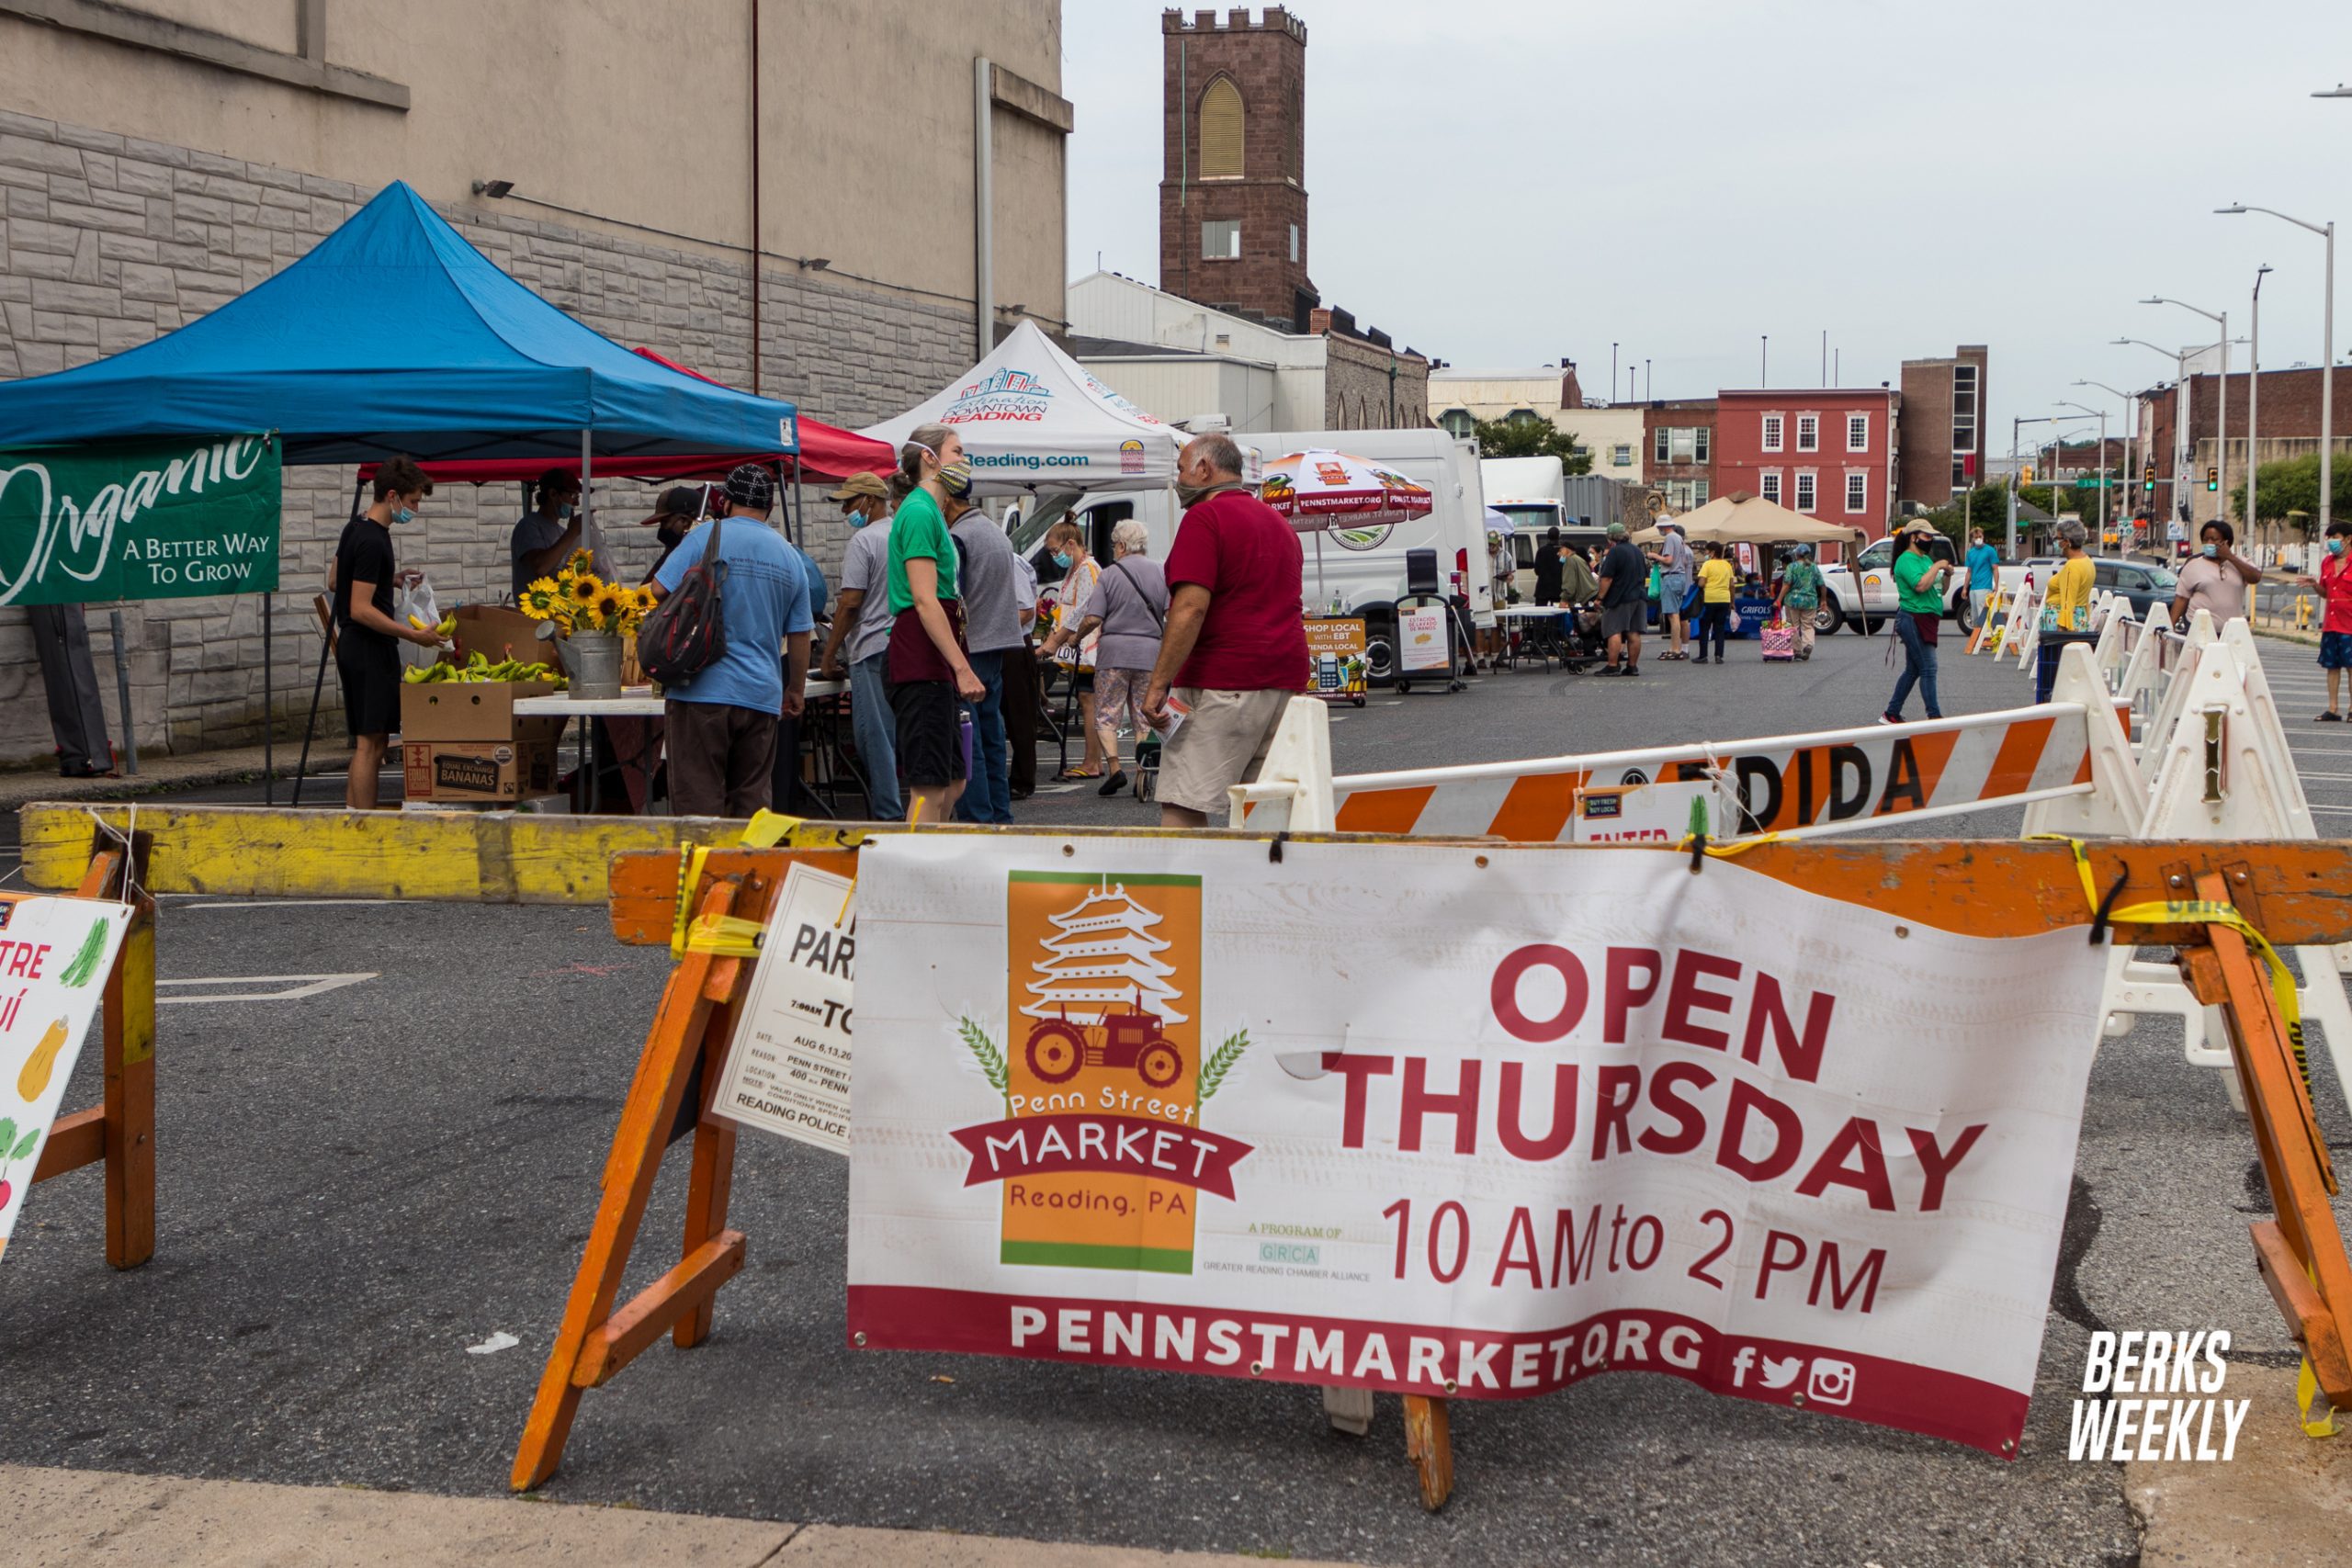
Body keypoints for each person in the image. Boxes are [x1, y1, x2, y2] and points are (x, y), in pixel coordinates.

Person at [1143, 434, 1308, 828]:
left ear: (1204, 469)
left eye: (1182, 469)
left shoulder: (1204, 518)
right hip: (1284, 680)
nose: (1178, 479)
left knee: (1183, 802)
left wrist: (1157, 685)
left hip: (1222, 678)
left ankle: (1186, 888)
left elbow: (1189, 608)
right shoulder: (1277, 523)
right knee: (1265, 808)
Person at [650, 464, 809, 818]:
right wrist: (795, 689)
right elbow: (800, 633)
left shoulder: (705, 537)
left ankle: (702, 873)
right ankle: (748, 872)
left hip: (700, 692)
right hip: (762, 697)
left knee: (698, 806)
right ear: (768, 507)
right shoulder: (790, 556)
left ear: (724, 503)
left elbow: (659, 588)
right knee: (751, 806)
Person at [331, 455, 444, 810]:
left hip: (354, 646)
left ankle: (353, 819)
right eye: (413, 502)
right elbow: (359, 608)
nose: (415, 510)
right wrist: (413, 635)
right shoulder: (375, 540)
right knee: (371, 745)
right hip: (368, 647)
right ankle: (364, 825)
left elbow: (334, 580)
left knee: (373, 741)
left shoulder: (355, 527)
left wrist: (388, 580)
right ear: (392, 495)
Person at [886, 423, 985, 822]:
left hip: (936, 659)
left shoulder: (932, 513)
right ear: (930, 457)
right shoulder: (919, 511)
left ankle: (934, 867)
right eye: (957, 451)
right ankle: (915, 877)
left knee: (954, 782)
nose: (964, 460)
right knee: (929, 788)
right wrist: (962, 668)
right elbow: (925, 600)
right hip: (920, 659)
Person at [1056, 517, 1168, 797]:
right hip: (1149, 653)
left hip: (1114, 654)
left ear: (1120, 545)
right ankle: (1143, 774)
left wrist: (1076, 637)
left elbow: (1093, 617)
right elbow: (1170, 612)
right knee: (1143, 714)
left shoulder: (1109, 574)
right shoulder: (1161, 571)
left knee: (1107, 713)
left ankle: (1116, 768)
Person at [819, 470, 900, 820]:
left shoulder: (864, 541)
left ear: (871, 500)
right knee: (906, 730)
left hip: (872, 648)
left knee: (874, 737)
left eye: (849, 502)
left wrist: (828, 655)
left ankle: (888, 812)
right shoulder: (905, 531)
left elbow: (851, 602)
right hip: (908, 643)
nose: (844, 511)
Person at [950, 488, 1023, 824]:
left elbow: (954, 598)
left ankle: (978, 819)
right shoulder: (996, 533)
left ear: (948, 500)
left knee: (970, 741)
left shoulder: (959, 537)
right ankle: (1000, 815)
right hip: (998, 644)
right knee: (992, 738)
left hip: (971, 647)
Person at [1041, 521, 1108, 781]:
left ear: (1071, 544)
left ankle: (1093, 761)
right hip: (1078, 643)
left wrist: (1056, 641)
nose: (1053, 556)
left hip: (1087, 645)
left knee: (1088, 700)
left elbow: (1083, 609)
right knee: (1086, 698)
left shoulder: (1087, 569)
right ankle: (1093, 760)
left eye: (1054, 550)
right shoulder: (1077, 570)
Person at [1883, 523, 1954, 724]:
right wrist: (1938, 566)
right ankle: (1934, 716)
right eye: (1926, 536)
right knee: (1929, 667)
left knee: (1914, 670)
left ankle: (1891, 713)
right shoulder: (1906, 560)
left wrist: (1946, 575)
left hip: (1927, 617)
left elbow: (1940, 589)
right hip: (1914, 617)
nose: (1929, 540)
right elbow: (1921, 585)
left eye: (1932, 537)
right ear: (1913, 537)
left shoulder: (1925, 560)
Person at [2296, 520, 2352, 720]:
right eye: (2329, 539)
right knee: (2332, 666)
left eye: (2335, 538)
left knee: (2351, 666)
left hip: (2350, 624)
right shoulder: (2327, 562)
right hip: (2331, 623)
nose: (2331, 543)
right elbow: (2326, 593)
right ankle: (2333, 708)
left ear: (2348, 539)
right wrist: (2313, 584)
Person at [2171, 518, 2262, 628]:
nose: (2209, 543)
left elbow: (2255, 577)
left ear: (2226, 542)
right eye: (2205, 539)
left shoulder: (2240, 562)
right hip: (2199, 628)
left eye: (2214, 539)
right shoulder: (2193, 565)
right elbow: (2181, 598)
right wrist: (2169, 628)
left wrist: (2229, 557)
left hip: (2231, 630)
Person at [510, 466, 583, 598]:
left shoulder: (562, 532)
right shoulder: (529, 525)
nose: (576, 503)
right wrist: (572, 533)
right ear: (553, 494)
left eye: (578, 496)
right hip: (535, 613)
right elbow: (540, 567)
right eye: (572, 495)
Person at [1005, 547, 1042, 799]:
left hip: (1015, 643)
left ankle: (1022, 779)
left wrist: (995, 627)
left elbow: (1026, 610)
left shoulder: (1011, 561)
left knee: (1019, 716)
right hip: (1002, 642)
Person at [1589, 522, 1648, 676]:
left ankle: (1613, 665)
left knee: (1614, 630)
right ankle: (1632, 666)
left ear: (1610, 538)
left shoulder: (1614, 553)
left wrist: (1599, 598)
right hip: (1640, 596)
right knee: (1634, 632)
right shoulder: (1637, 551)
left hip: (1620, 597)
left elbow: (1607, 579)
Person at [1647, 522, 1696, 660]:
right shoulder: (1687, 550)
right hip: (1685, 584)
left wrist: (1656, 557)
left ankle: (1677, 648)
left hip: (1677, 582)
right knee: (1681, 618)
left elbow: (1669, 561)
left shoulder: (1676, 545)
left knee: (1676, 617)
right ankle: (1682, 648)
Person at [639, 486, 705, 582]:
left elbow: (658, 590)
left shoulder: (700, 557)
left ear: (684, 521)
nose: (662, 529)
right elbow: (647, 586)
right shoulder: (675, 552)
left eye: (665, 522)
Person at [1775, 543, 1825, 661]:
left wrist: (1779, 599)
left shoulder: (1791, 567)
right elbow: (1822, 585)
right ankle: (1808, 645)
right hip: (1810, 601)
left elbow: (1786, 584)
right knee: (1808, 625)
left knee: (1793, 626)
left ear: (1797, 554)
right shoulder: (1814, 567)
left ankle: (1797, 651)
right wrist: (1823, 600)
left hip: (1793, 601)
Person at [2045, 519, 2096, 632]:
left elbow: (2068, 602)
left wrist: (2060, 633)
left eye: (2057, 539)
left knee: (2059, 651)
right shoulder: (2087, 561)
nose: (2056, 542)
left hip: (2063, 624)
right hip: (2080, 619)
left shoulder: (2071, 566)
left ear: (2067, 542)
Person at [1692, 539, 1735, 664]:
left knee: (1705, 627)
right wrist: (1732, 602)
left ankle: (1703, 655)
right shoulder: (1727, 565)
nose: (1706, 553)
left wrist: (1700, 582)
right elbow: (1732, 585)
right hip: (1724, 599)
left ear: (1712, 552)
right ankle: (1719, 655)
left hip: (1709, 599)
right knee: (1720, 628)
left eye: (1707, 551)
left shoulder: (1707, 565)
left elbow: (1701, 583)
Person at [1965, 527, 2000, 627]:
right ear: (1972, 538)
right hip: (1973, 588)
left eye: (1980, 536)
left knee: (1983, 614)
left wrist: (1996, 585)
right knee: (1975, 616)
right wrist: (1965, 588)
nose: (1978, 539)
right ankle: (1976, 637)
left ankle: (1984, 637)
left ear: (1983, 536)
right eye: (1976, 537)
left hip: (1984, 587)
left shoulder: (1990, 550)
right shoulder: (1971, 552)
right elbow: (1969, 571)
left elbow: (1995, 568)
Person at [1532, 525, 1564, 610]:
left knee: (1539, 614)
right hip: (1558, 588)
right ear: (1559, 536)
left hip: (1542, 588)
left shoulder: (1541, 551)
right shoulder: (1562, 552)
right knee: (1558, 614)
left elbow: (1537, 570)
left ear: (1548, 536)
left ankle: (1539, 623)